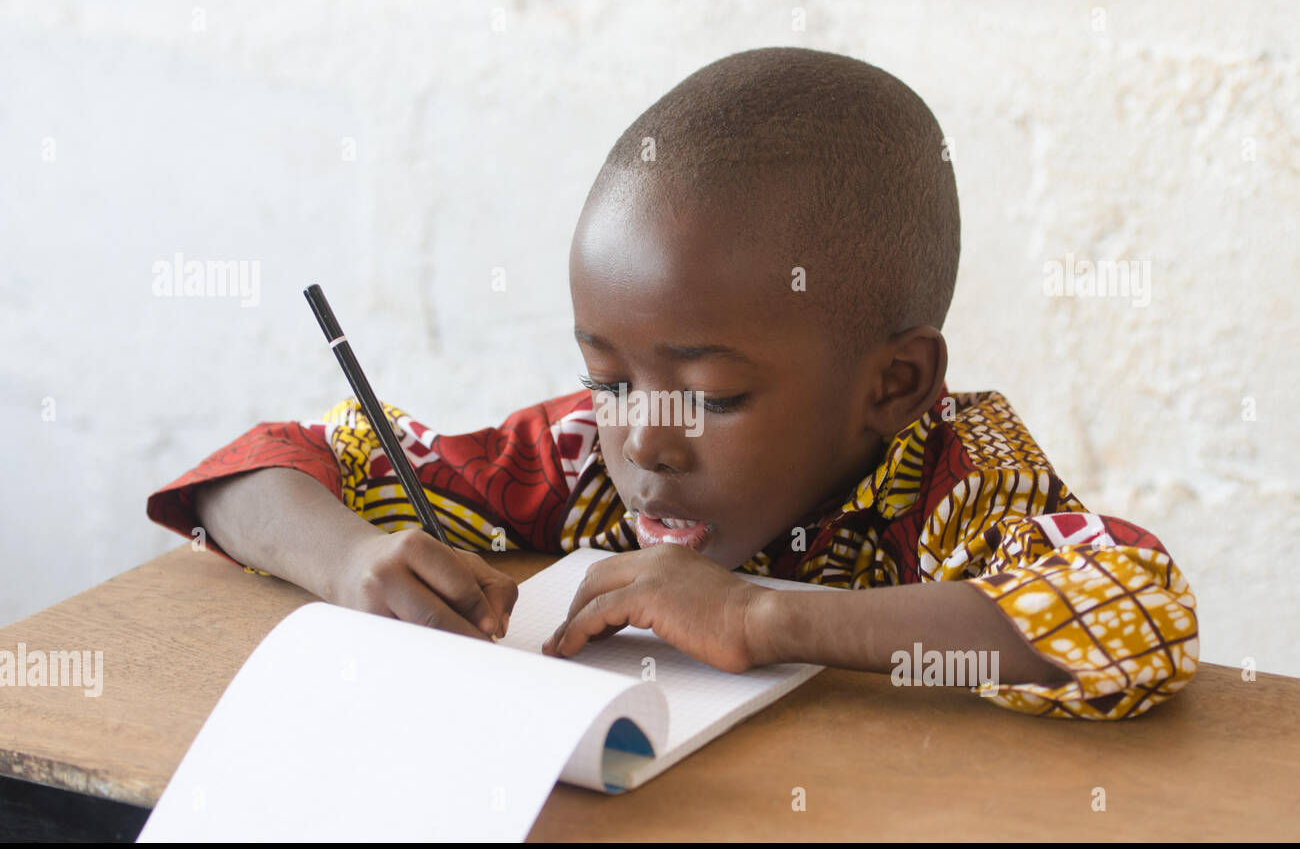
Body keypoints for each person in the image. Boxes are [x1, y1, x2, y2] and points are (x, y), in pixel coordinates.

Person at [147, 48, 1197, 720]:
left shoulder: (961, 476)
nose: (643, 439)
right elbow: (262, 468)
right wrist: (353, 558)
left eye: (710, 396)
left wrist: (758, 615)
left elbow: (1134, 616)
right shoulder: (589, 457)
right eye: (604, 377)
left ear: (896, 382)